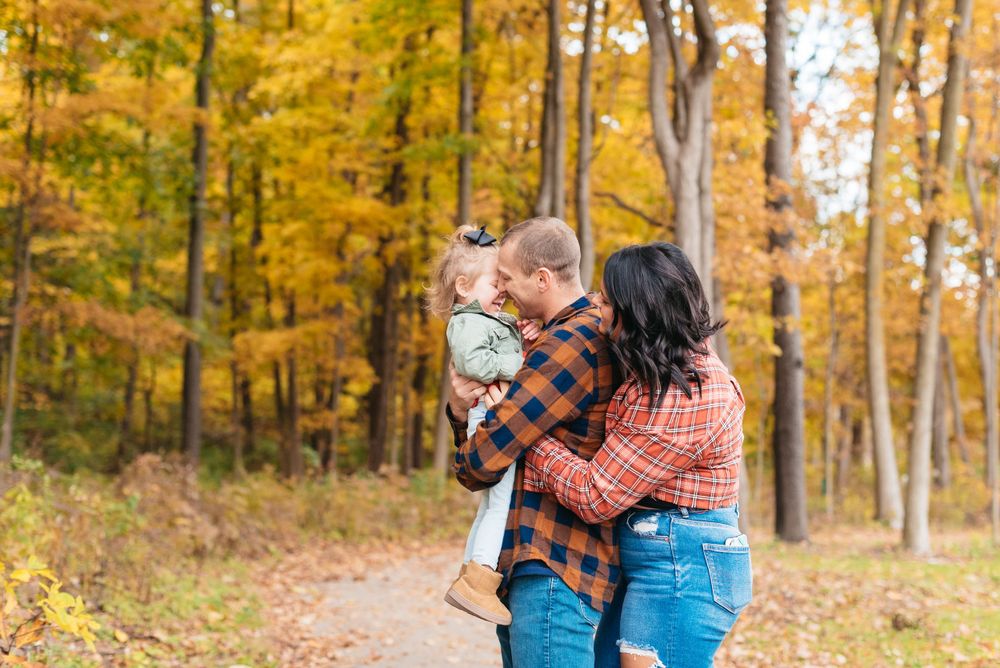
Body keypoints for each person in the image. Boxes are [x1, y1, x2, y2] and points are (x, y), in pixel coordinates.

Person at [522, 242, 751, 668]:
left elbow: (595, 494)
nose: (596, 305)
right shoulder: (658, 362)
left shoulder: (691, 394)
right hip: (654, 554)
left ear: (640, 315)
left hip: (683, 565)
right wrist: (546, 339)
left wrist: (527, 434)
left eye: (608, 302)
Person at [448, 216, 618, 668]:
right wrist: (461, 412)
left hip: (554, 567)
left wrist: (468, 427)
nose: (502, 289)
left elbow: (482, 463)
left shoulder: (571, 344)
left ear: (542, 279)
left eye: (506, 277)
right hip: (535, 565)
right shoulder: (555, 337)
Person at [426, 224, 530, 625]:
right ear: (463, 286)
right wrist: (521, 365)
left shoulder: (486, 317)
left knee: (490, 504)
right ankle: (481, 579)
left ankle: (471, 572)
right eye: (494, 282)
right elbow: (474, 363)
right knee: (500, 502)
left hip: (485, 411)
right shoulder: (468, 322)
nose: (502, 289)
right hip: (487, 414)